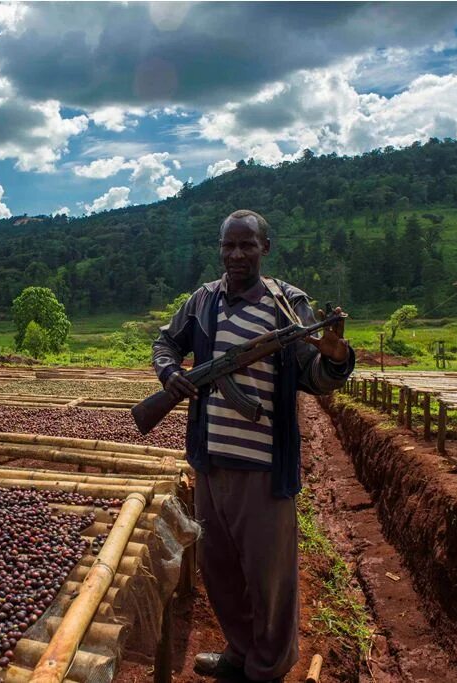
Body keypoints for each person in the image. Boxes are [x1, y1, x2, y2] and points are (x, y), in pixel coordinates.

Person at [151, 210, 354, 683]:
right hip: (210, 465)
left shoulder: (288, 305)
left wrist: (335, 359)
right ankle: (239, 653)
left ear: (266, 248)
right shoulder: (202, 301)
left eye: (247, 245)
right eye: (229, 245)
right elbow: (165, 344)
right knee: (219, 571)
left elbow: (314, 378)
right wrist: (170, 373)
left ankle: (267, 668)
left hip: (264, 470)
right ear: (220, 248)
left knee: (269, 579)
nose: (237, 254)